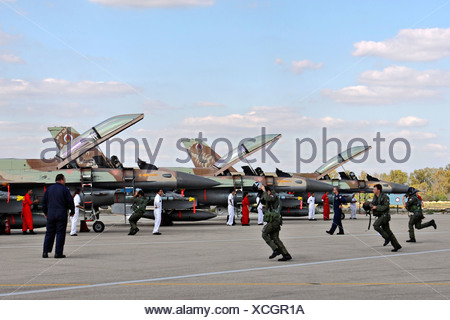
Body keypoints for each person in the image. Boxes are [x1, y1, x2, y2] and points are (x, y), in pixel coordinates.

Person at [42, 174, 75, 258]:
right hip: (61, 214)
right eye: (64, 179)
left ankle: (45, 252)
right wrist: (72, 211)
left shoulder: (49, 189)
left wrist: (45, 212)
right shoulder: (65, 189)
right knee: (60, 233)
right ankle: (58, 253)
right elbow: (70, 201)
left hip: (51, 214)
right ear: (61, 180)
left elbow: (44, 202)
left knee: (49, 233)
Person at [260, 186, 292, 261]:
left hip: (274, 221)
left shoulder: (273, 195)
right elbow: (264, 200)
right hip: (275, 220)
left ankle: (275, 250)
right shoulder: (271, 196)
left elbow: (268, 198)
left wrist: (264, 190)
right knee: (275, 238)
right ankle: (286, 254)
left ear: (268, 191)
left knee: (264, 234)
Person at [372, 184, 402, 252]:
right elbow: (373, 204)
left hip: (385, 216)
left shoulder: (385, 197)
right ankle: (396, 245)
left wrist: (376, 207)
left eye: (374, 189)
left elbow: (386, 207)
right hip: (381, 215)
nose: (373, 190)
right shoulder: (375, 197)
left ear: (378, 190)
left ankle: (387, 238)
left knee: (376, 225)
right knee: (388, 231)